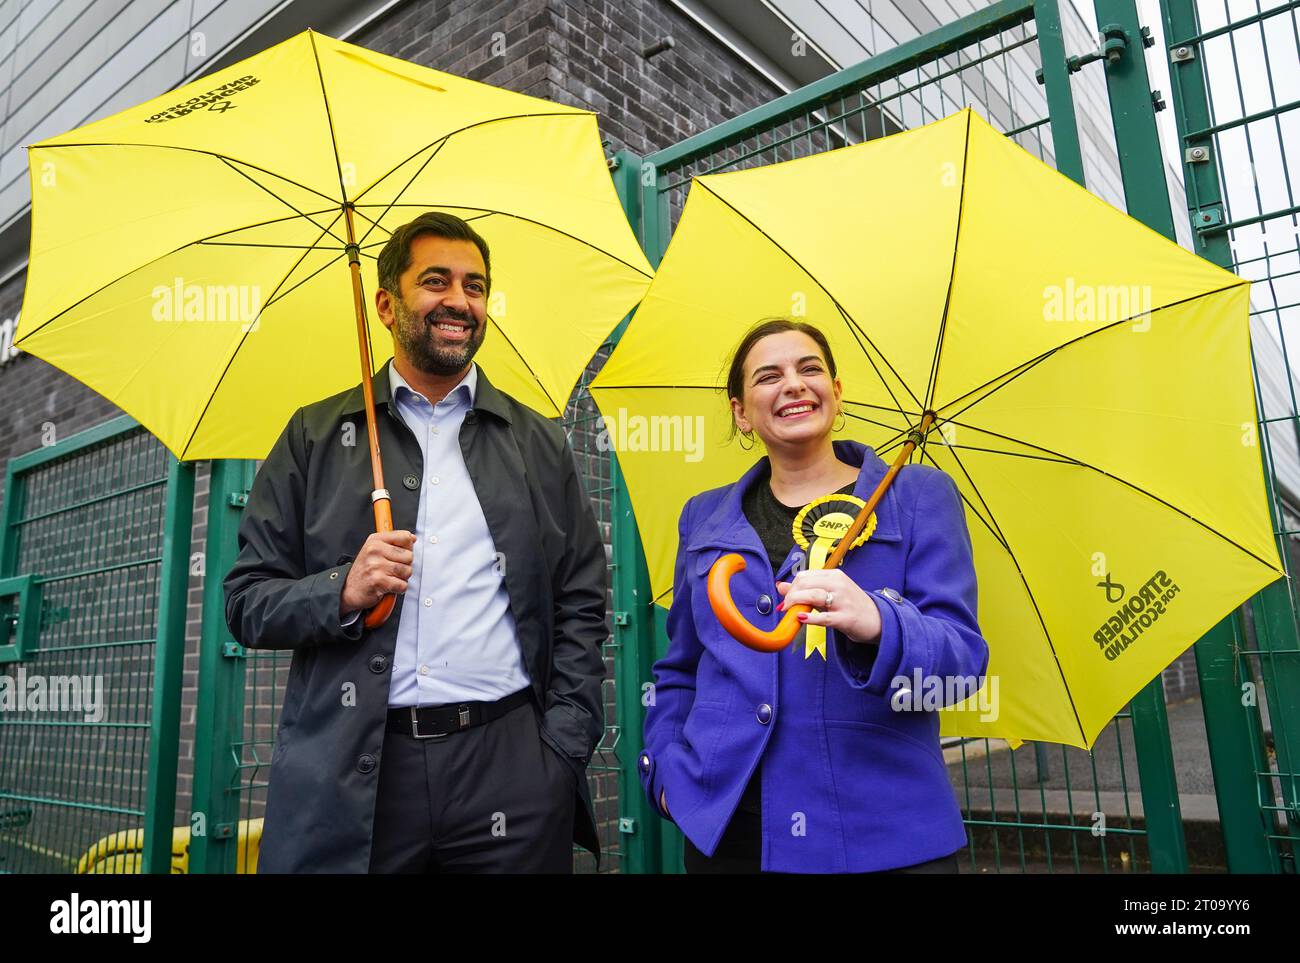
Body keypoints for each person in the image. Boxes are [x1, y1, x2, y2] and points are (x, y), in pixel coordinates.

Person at [223, 212, 607, 873]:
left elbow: (582, 597)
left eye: (476, 286)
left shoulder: (538, 441)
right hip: (360, 773)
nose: (460, 301)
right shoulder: (316, 435)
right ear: (385, 302)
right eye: (436, 281)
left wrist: (561, 745)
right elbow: (247, 600)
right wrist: (340, 589)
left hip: (511, 766)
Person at [637, 318, 989, 874]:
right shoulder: (703, 517)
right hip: (731, 835)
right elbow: (682, 667)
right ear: (740, 412)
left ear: (837, 392)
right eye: (768, 376)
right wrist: (666, 775)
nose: (794, 385)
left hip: (883, 835)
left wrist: (877, 621)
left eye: (810, 369)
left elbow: (961, 664)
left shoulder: (919, 496)